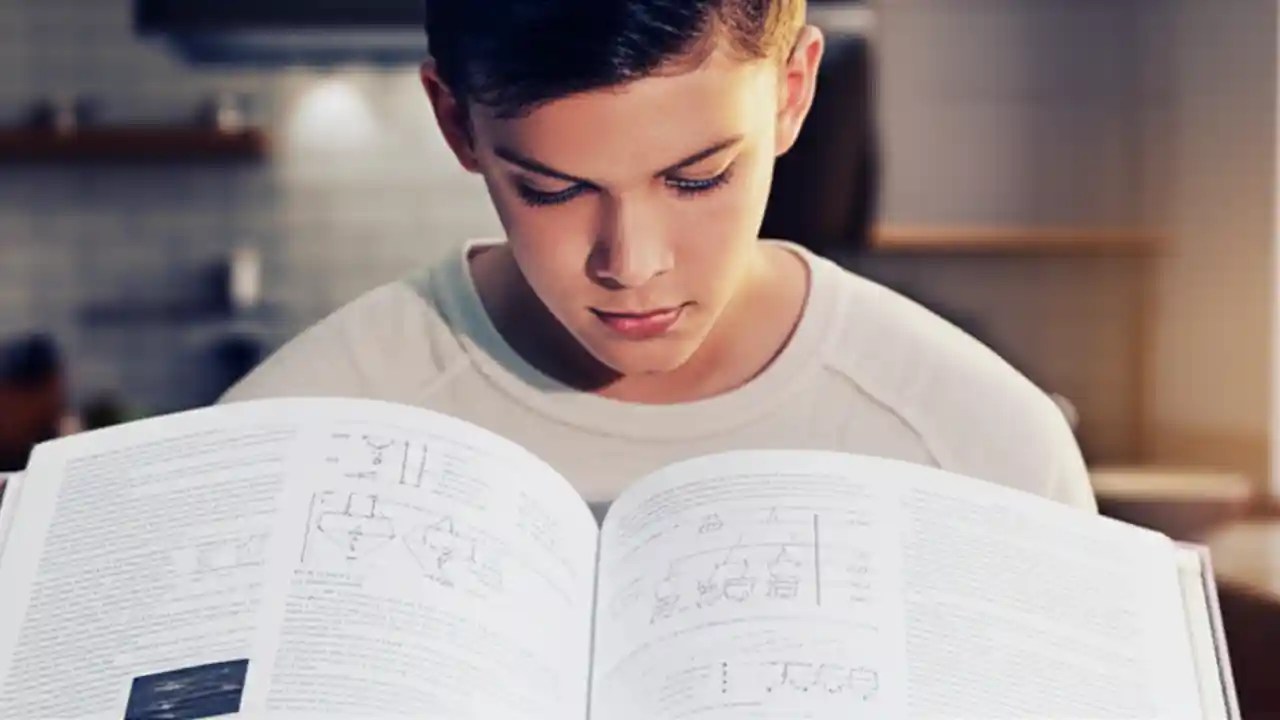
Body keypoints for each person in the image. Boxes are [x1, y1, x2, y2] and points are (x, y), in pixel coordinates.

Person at [219, 0, 1096, 514]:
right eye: (554, 190)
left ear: (792, 93)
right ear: (457, 124)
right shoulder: (285, 438)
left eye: (700, 177)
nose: (631, 264)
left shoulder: (986, 447)